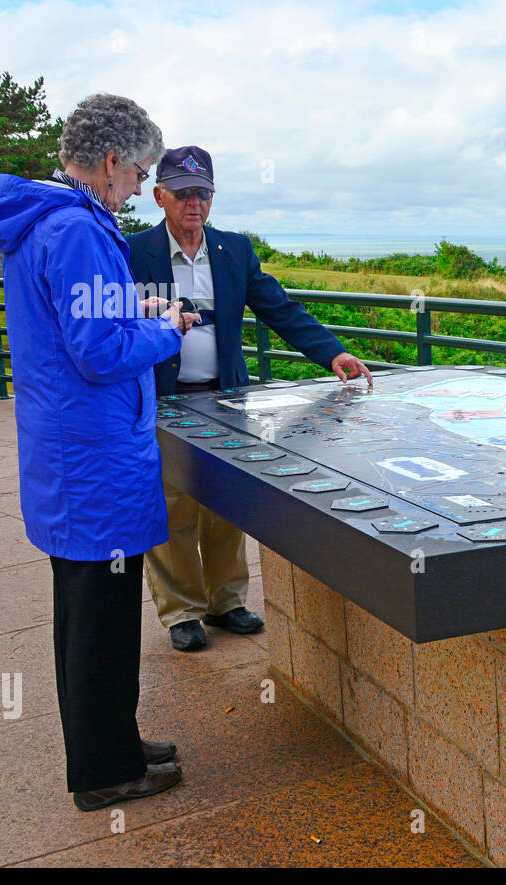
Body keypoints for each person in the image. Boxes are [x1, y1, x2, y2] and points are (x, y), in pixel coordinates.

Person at [0, 94, 197, 811]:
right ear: (109, 163)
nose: (138, 189)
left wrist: (133, 311)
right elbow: (100, 353)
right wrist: (166, 328)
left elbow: (80, 327)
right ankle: (107, 771)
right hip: (94, 463)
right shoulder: (75, 230)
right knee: (100, 624)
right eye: (137, 174)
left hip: (67, 458)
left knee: (85, 617)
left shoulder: (44, 223)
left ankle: (112, 742)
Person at [126, 145, 372, 652]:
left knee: (225, 501)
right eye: (183, 192)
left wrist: (333, 354)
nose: (194, 202)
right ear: (159, 195)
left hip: (225, 399)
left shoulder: (234, 251)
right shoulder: (133, 252)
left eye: (203, 193)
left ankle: (226, 601)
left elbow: (280, 309)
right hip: (163, 399)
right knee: (171, 506)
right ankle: (183, 612)